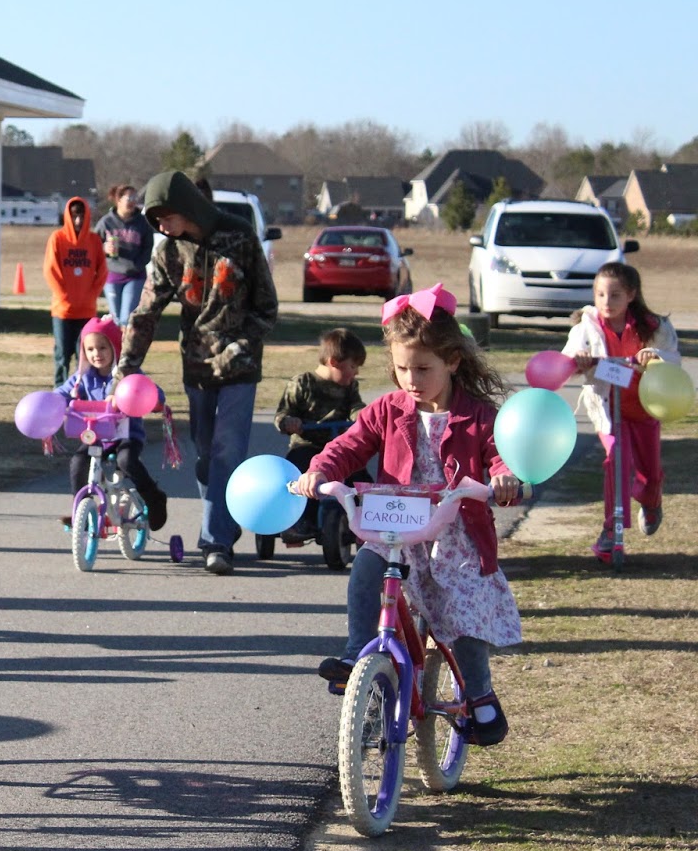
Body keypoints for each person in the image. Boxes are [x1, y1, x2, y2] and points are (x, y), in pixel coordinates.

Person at [293, 285, 522, 747]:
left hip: (455, 533)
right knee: (365, 570)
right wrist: (321, 469)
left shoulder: (478, 417)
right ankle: (359, 654)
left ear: (453, 361)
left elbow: (501, 455)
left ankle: (479, 695)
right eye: (401, 369)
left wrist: (505, 478)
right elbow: (349, 445)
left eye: (423, 368)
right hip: (395, 522)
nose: (411, 379)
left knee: (463, 612)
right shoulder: (388, 409)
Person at [117, 170, 279, 575]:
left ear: (184, 207)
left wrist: (243, 342)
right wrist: (127, 365)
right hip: (197, 367)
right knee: (207, 456)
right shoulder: (168, 252)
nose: (160, 227)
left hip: (240, 366)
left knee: (227, 451)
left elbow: (267, 307)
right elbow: (145, 313)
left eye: (163, 217)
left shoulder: (239, 237)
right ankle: (220, 524)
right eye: (153, 221)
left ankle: (216, 541)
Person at [563, 261, 680, 557]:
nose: (606, 302)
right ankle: (610, 531)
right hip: (609, 411)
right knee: (616, 460)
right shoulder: (586, 326)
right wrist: (579, 359)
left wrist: (653, 356)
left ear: (631, 295)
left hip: (644, 409)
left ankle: (651, 503)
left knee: (650, 475)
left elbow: (673, 359)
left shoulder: (653, 327)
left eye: (614, 295)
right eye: (600, 294)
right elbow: (566, 360)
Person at [56, 316, 169, 530]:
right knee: (78, 462)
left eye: (102, 348)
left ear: (115, 347)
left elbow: (154, 393)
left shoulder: (127, 374)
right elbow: (62, 392)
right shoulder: (84, 377)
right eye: (90, 349)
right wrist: (54, 402)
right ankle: (80, 508)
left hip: (127, 435)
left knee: (126, 461)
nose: (96, 354)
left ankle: (154, 497)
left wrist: (147, 398)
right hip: (96, 434)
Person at [274, 328, 368, 542]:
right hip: (307, 443)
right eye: (352, 367)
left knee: (360, 478)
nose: (356, 373)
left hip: (338, 447)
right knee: (300, 474)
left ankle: (366, 521)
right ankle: (300, 521)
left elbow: (356, 407)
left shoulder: (350, 387)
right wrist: (290, 422)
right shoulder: (303, 383)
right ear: (333, 362)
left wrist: (361, 415)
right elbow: (282, 414)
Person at [44, 195, 108, 385]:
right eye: (74, 216)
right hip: (63, 310)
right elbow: (51, 270)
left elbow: (102, 270)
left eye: (81, 216)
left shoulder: (94, 240)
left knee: (86, 355)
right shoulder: (58, 238)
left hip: (86, 310)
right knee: (63, 354)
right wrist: (64, 295)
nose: (78, 220)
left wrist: (92, 294)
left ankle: (84, 390)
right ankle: (60, 391)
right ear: (68, 217)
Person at [94, 183, 151, 325]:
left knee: (126, 318)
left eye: (135, 197)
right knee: (116, 318)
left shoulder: (142, 223)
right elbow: (93, 246)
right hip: (112, 275)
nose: (132, 201)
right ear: (118, 200)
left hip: (135, 276)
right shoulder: (106, 222)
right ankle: (115, 346)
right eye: (128, 197)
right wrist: (104, 248)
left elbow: (147, 248)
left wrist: (138, 265)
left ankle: (125, 346)